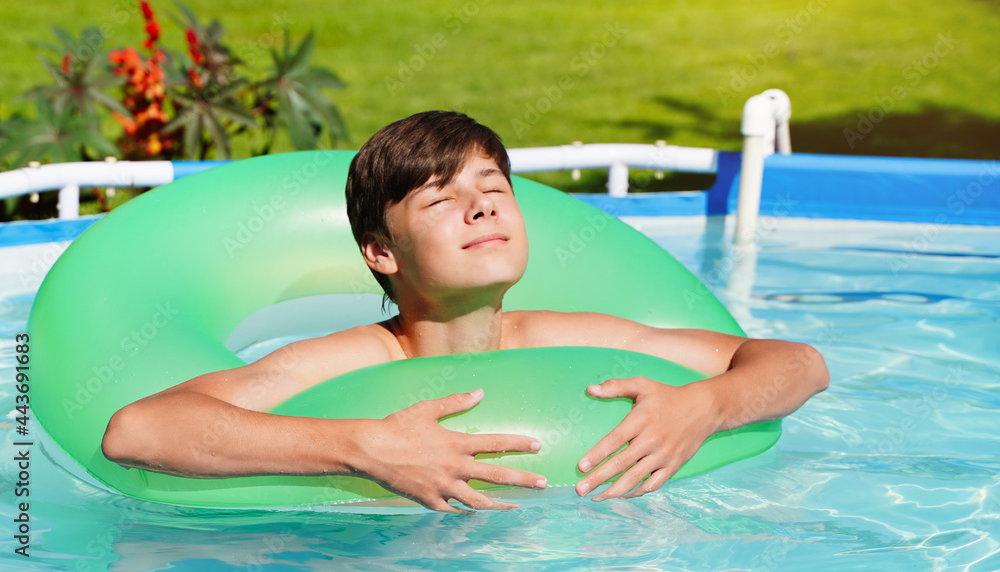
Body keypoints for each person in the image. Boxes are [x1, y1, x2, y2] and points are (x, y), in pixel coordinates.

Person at [102, 111, 829, 513]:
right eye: (441, 198)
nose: (480, 202)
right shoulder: (352, 361)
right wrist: (360, 446)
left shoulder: (564, 338)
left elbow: (801, 362)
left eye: (492, 187)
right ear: (382, 252)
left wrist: (705, 405)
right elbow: (137, 429)